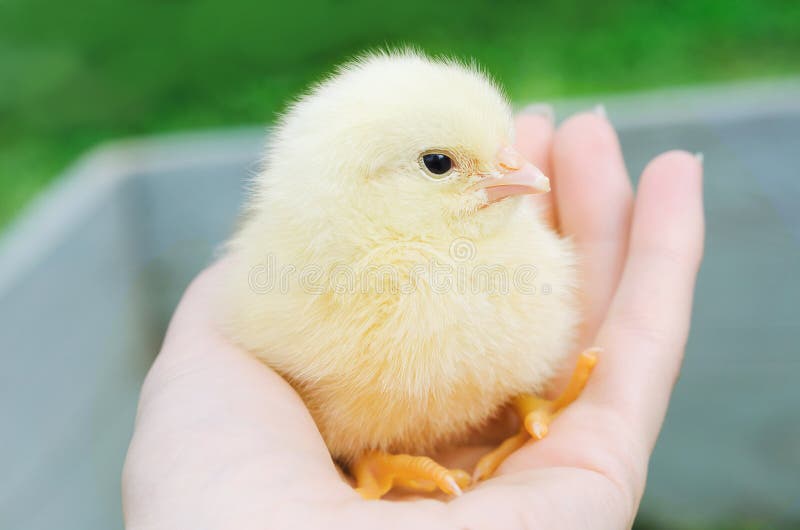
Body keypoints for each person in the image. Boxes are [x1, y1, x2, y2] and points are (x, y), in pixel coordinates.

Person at [122, 106, 704, 529]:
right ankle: (373, 458)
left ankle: (520, 405)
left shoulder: (510, 246)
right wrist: (357, 458)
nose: (517, 171)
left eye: (500, 149)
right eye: (439, 163)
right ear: (360, 189)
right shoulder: (312, 274)